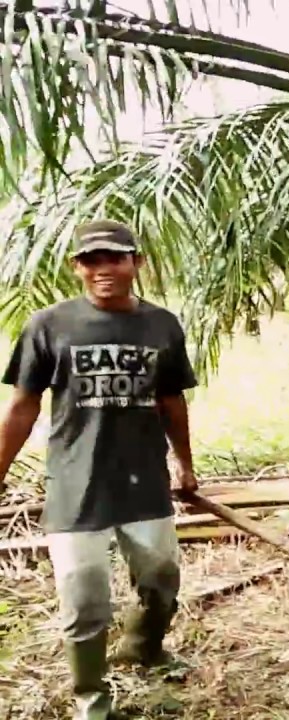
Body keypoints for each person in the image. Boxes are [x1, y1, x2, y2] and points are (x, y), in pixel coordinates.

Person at [0, 220, 199, 720]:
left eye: (114, 258)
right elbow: (22, 407)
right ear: (77, 268)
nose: (103, 269)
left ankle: (144, 647)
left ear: (136, 262)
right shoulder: (48, 324)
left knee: (162, 583)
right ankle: (92, 700)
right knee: (85, 605)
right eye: (91, 260)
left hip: (144, 481)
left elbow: (172, 400)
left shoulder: (162, 325)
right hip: (75, 486)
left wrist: (185, 465)